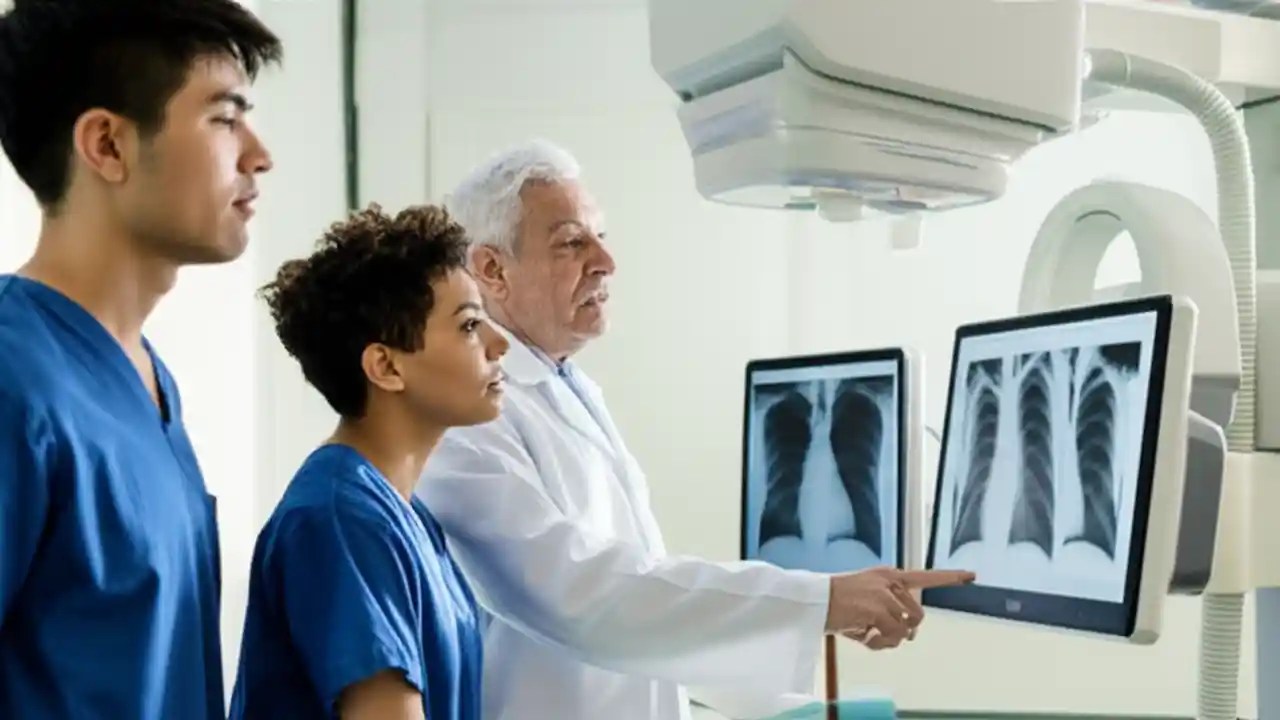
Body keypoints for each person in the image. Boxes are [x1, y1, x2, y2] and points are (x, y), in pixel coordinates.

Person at [417, 139, 975, 720]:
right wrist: (820, 602)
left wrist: (815, 614)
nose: (606, 262)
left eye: (602, 238)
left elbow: (641, 588)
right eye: (572, 242)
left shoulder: (564, 386)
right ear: (490, 269)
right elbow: (581, 593)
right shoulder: (465, 421)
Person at [0, 2, 278, 718]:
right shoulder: (15, 383)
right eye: (224, 117)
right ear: (107, 145)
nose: (259, 153)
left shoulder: (151, 387)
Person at [230, 204, 507, 720]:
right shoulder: (341, 520)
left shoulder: (405, 515)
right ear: (385, 365)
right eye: (470, 326)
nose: (499, 343)